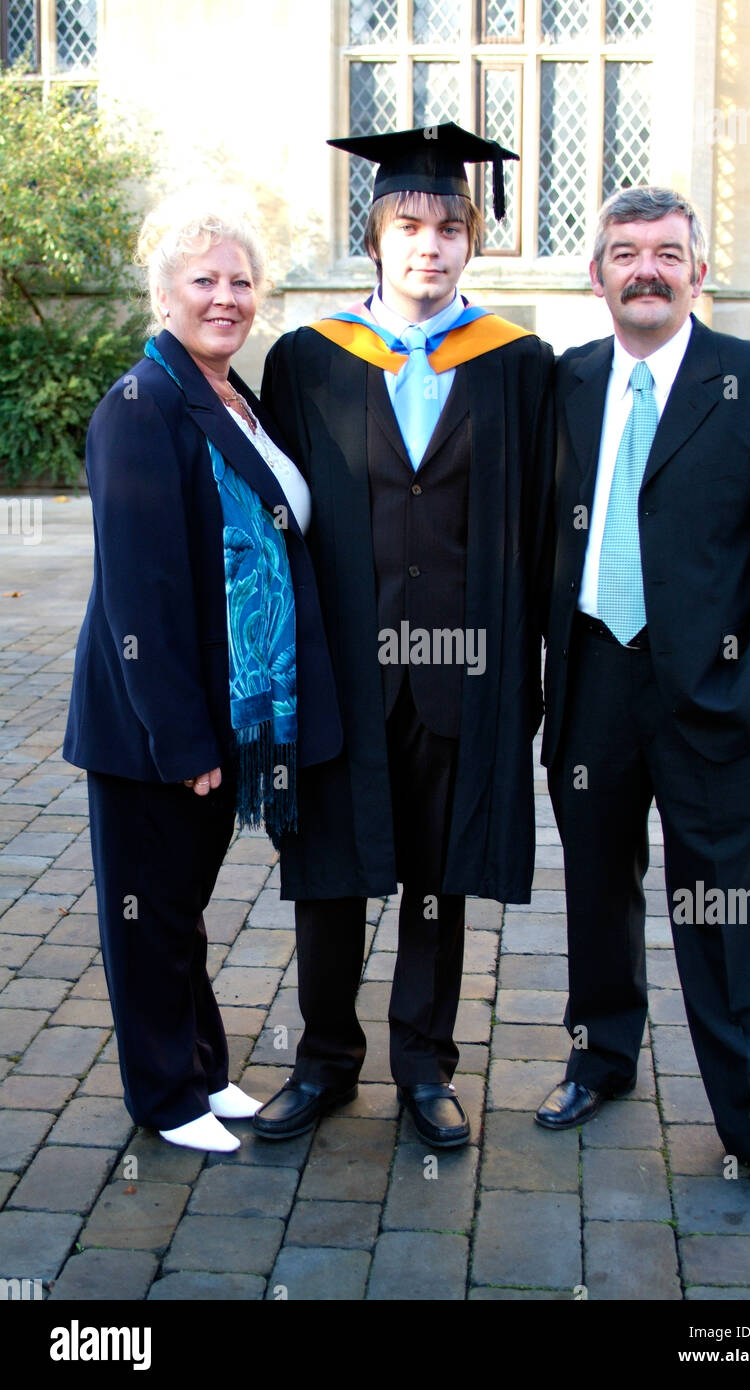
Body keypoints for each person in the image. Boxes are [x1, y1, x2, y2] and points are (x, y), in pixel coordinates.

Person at [253, 123, 553, 1148]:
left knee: (435, 875)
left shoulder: (517, 364)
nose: (429, 244)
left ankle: (424, 1065)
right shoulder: (306, 361)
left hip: (460, 673)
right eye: (409, 224)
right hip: (345, 666)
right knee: (330, 871)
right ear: (373, 238)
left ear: (475, 241)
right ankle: (323, 1062)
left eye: (449, 226)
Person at [538, 186, 750, 1211]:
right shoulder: (566, 382)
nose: (645, 269)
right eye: (624, 252)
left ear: (696, 270)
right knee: (594, 893)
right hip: (591, 680)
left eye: (666, 252)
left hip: (713, 693)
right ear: (597, 275)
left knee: (731, 913)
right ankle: (597, 1059)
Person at [63, 191, 341, 1153]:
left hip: (229, 706)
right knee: (149, 913)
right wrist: (180, 735)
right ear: (164, 293)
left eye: (240, 280)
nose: (226, 296)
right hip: (154, 723)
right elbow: (141, 596)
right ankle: (164, 1097)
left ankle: (204, 1071)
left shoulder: (228, 394)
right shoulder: (140, 408)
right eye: (204, 280)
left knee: (179, 906)